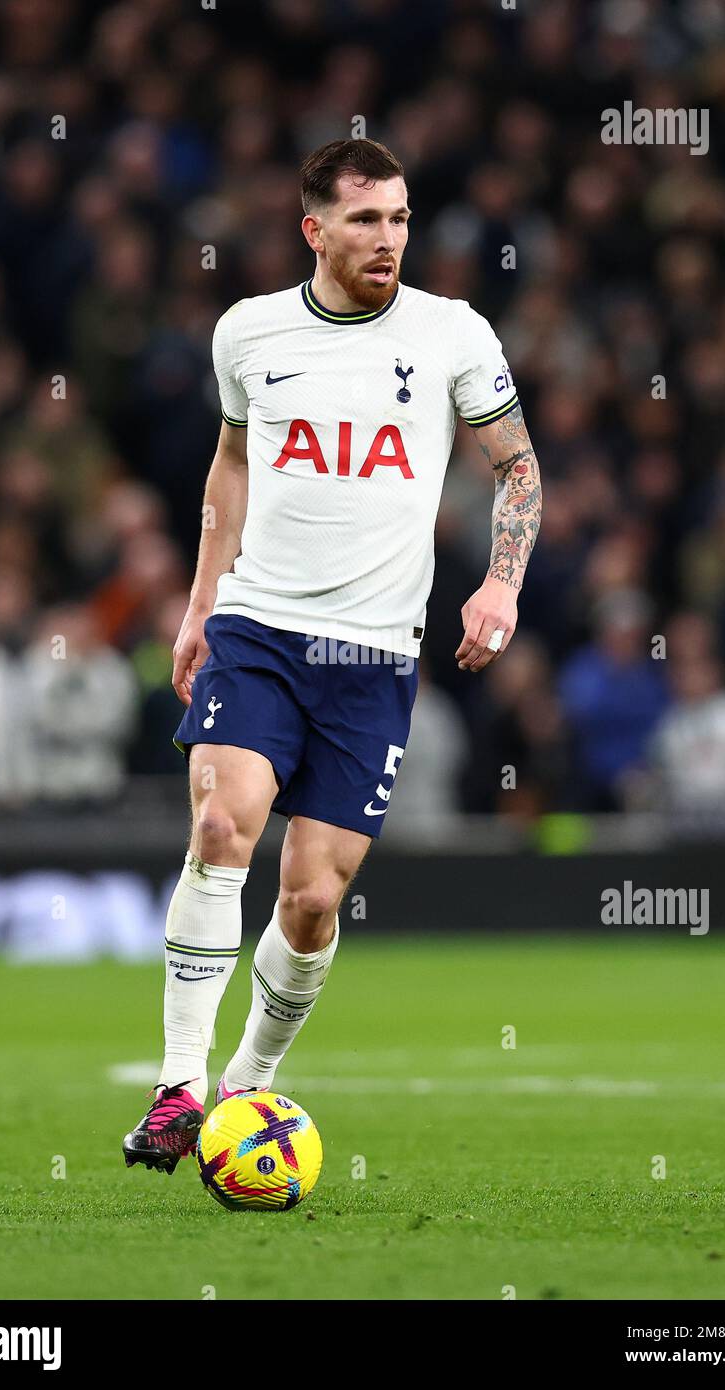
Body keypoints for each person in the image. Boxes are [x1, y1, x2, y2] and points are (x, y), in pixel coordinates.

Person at [123, 139, 542, 1174]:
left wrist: (502, 583)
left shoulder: (452, 333)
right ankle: (178, 1086)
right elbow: (230, 467)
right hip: (256, 632)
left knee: (311, 899)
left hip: (373, 660)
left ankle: (247, 1083)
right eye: (365, 221)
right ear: (314, 229)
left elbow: (518, 465)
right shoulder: (250, 332)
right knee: (222, 824)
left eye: (399, 219)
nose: (387, 240)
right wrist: (197, 607)